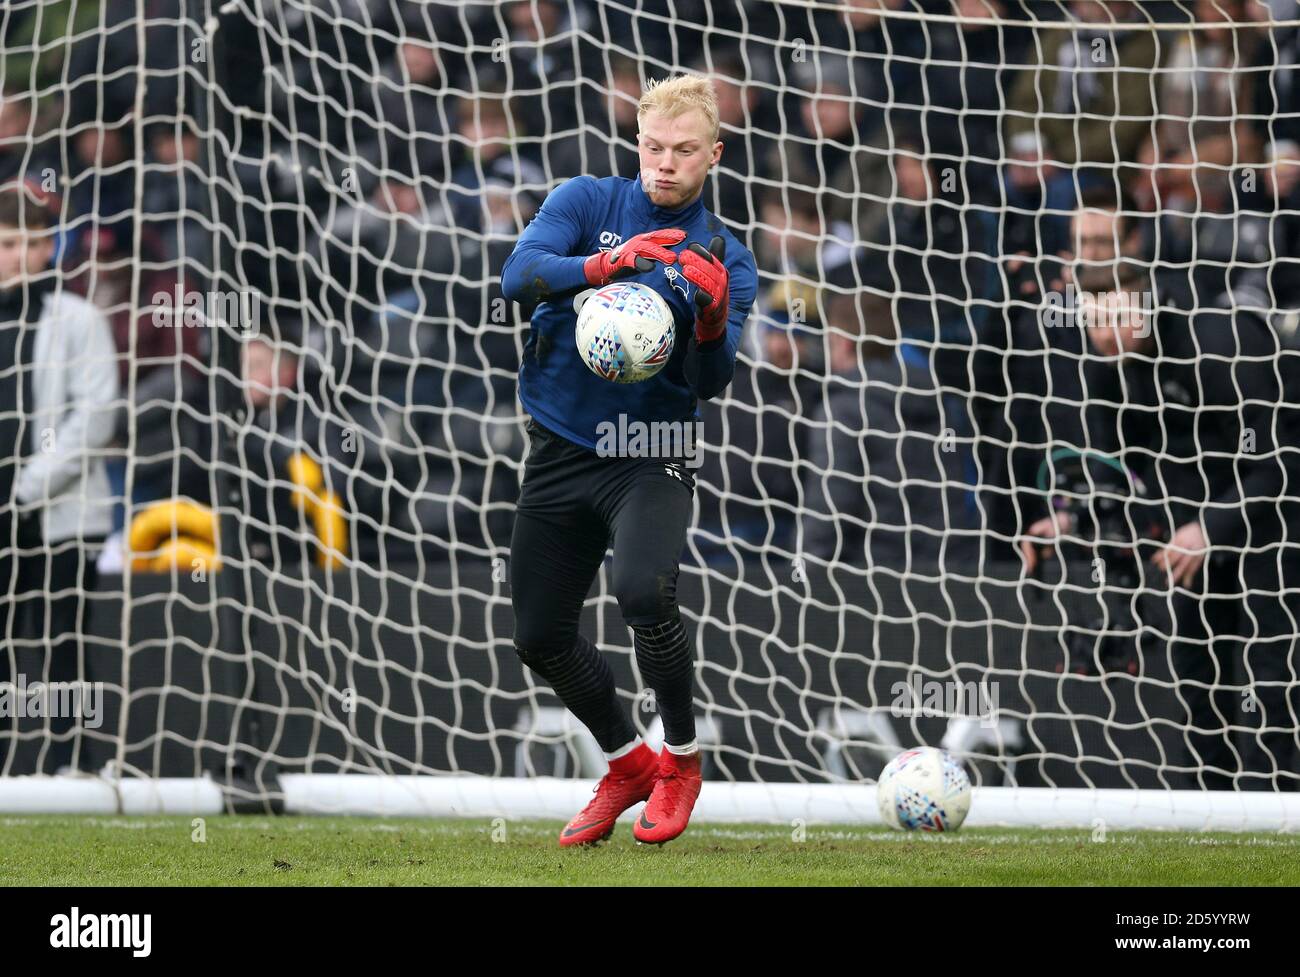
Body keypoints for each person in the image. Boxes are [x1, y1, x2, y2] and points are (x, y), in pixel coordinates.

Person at [499, 74, 757, 845]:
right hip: (560, 445)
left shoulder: (725, 255)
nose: (665, 163)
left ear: (714, 154)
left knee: (643, 591)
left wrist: (710, 319)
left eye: (684, 150)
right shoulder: (586, 201)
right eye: (652, 146)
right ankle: (626, 762)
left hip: (652, 452)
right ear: (636, 141)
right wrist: (605, 269)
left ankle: (680, 759)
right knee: (539, 633)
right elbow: (519, 276)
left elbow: (712, 382)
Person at [0, 184, 118, 774]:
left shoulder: (79, 318)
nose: (15, 256)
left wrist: (25, 487)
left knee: (62, 640)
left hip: (60, 510)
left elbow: (96, 415)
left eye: (25, 243)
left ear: (48, 248)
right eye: (4, 244)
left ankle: (75, 764)